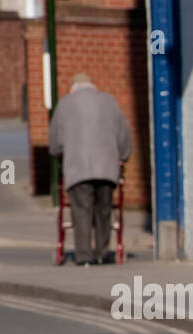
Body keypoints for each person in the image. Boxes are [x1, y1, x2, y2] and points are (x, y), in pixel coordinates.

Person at [48, 73, 132, 266]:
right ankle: (102, 253)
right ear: (93, 86)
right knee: (104, 210)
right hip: (107, 166)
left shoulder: (65, 104)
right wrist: (123, 156)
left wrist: (58, 152)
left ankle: (84, 255)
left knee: (81, 210)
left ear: (73, 88)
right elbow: (124, 134)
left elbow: (55, 142)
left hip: (77, 167)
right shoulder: (109, 102)